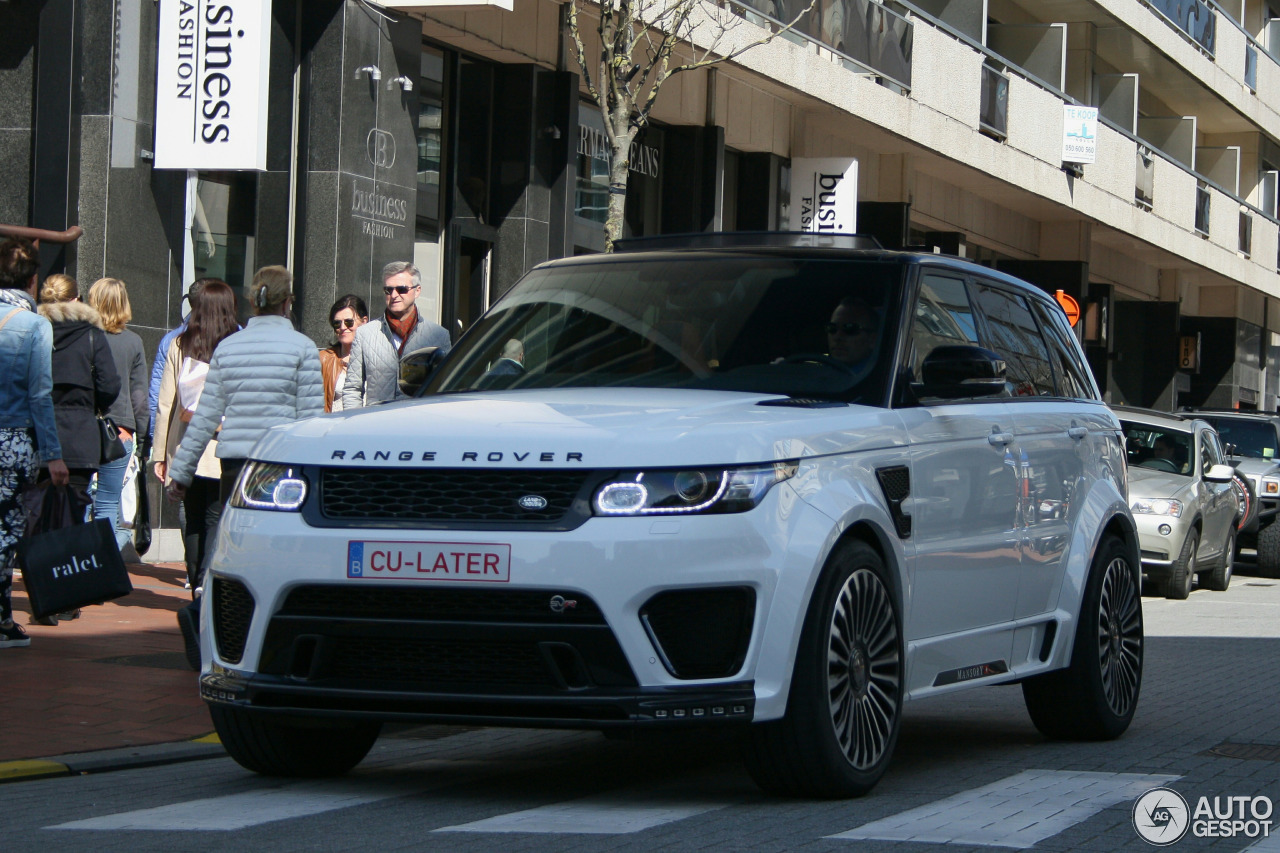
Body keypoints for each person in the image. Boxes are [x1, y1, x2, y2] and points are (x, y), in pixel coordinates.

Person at [164, 265, 323, 670]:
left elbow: (204, 417)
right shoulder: (303, 348)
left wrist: (181, 471)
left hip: (235, 464)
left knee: (231, 548)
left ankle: (213, 624)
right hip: (282, 465)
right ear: (288, 302)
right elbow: (310, 420)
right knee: (280, 552)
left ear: (253, 301)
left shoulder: (229, 349)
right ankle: (269, 639)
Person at [36, 273, 121, 624]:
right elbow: (109, 384)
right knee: (74, 513)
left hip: (39, 432)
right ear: (76, 300)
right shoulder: (91, 335)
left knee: (40, 515)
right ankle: (66, 595)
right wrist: (90, 404)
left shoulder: (35, 331)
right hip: (80, 434)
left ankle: (42, 592)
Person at [0, 238, 69, 648]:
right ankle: (1, 619)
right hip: (12, 442)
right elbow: (40, 394)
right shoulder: (34, 325)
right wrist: (53, 454)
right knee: (6, 529)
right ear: (32, 279)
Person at [151, 279, 239, 593]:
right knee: (215, 515)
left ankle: (194, 578)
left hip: (184, 443)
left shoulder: (179, 344)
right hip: (221, 445)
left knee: (192, 514)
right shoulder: (237, 346)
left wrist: (159, 453)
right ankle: (205, 580)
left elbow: (165, 403)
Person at [86, 277, 149, 551]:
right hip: (120, 432)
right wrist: (143, 438)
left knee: (81, 499)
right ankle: (103, 565)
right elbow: (140, 396)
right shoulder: (133, 342)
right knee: (108, 503)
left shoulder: (84, 337)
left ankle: (79, 562)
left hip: (84, 429)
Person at [341, 261, 450, 409]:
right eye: (388, 290)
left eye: (401, 289)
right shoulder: (364, 334)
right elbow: (352, 388)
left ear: (417, 291)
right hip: (377, 419)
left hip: (419, 419)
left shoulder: (439, 336)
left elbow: (446, 389)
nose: (394, 295)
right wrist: (357, 419)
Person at [318, 294, 369, 412]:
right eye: (337, 323)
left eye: (348, 322)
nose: (342, 327)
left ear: (364, 321)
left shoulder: (376, 356)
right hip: (335, 420)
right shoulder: (324, 359)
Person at [826, 296, 879, 382]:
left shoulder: (882, 379)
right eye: (832, 328)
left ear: (872, 340)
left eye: (850, 329)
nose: (837, 337)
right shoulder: (819, 373)